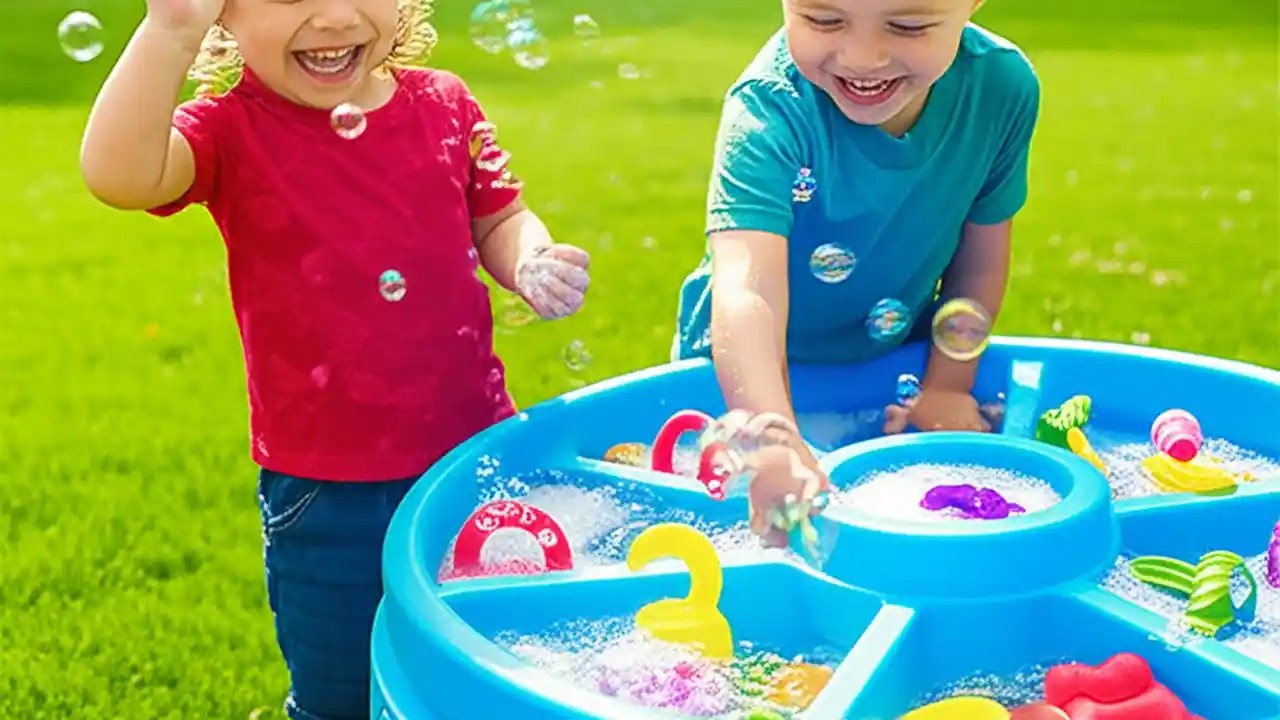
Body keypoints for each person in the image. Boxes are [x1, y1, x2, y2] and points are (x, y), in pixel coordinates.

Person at [78, 1, 590, 717]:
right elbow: (119, 175)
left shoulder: (444, 104)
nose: (332, 16)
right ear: (221, 13)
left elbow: (498, 216)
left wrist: (529, 256)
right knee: (340, 697)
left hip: (467, 464)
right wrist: (169, 30)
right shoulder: (231, 129)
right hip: (325, 498)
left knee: (478, 679)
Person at [671, 0, 1040, 536]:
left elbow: (981, 254)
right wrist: (771, 443)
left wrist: (947, 388)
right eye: (823, 20)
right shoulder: (770, 111)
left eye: (907, 24)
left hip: (889, 368)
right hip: (743, 388)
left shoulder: (1000, 88)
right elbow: (748, 290)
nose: (862, 57)